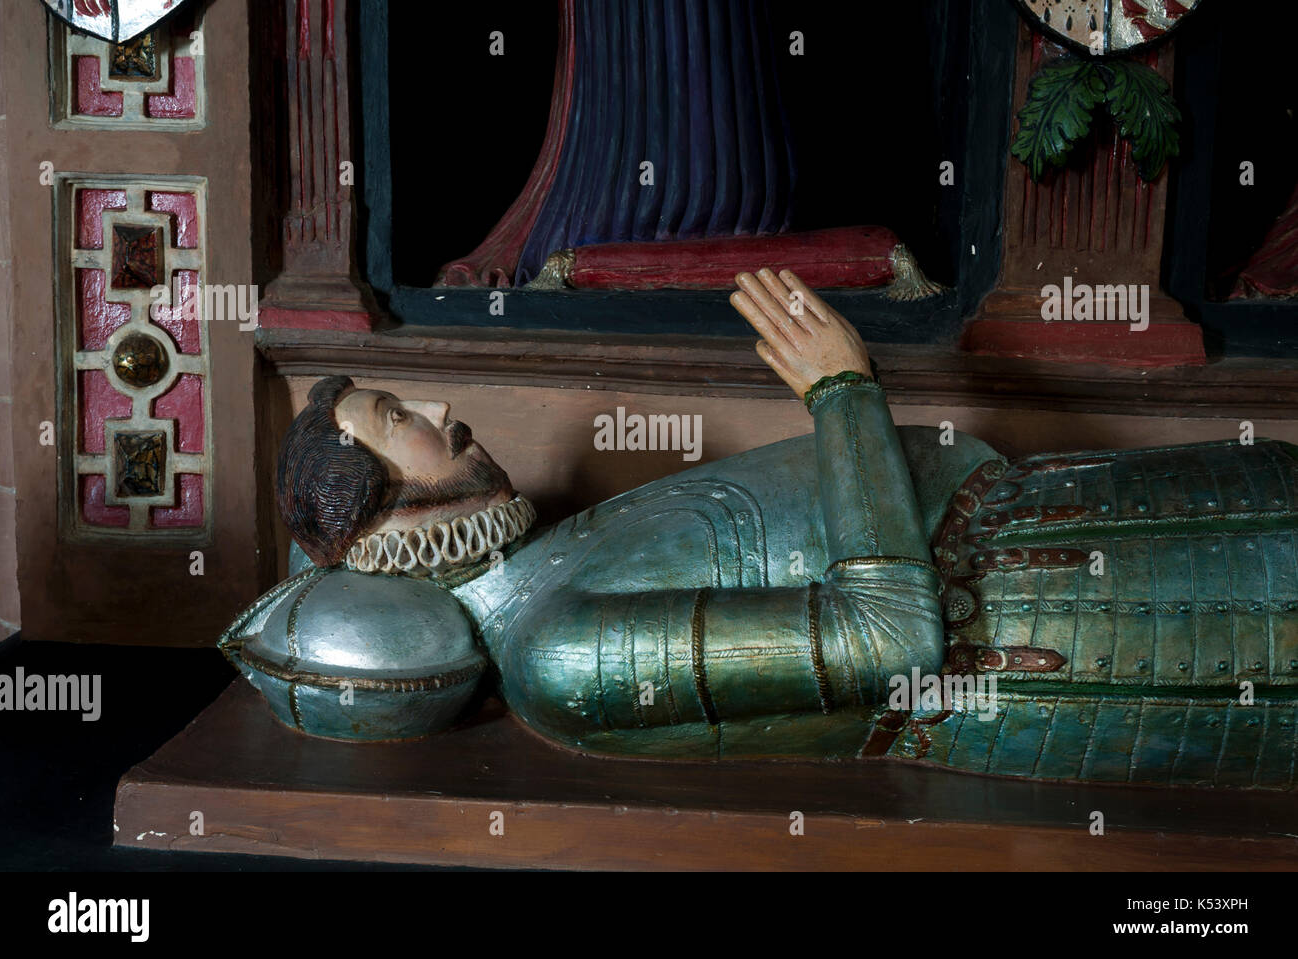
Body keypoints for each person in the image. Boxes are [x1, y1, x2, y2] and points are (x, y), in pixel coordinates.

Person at [229, 269, 1298, 789]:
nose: (442, 415)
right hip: (1075, 638)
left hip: (1053, 518)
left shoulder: (547, 560)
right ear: (382, 522)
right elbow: (890, 646)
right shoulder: (555, 655)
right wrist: (838, 390)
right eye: (400, 423)